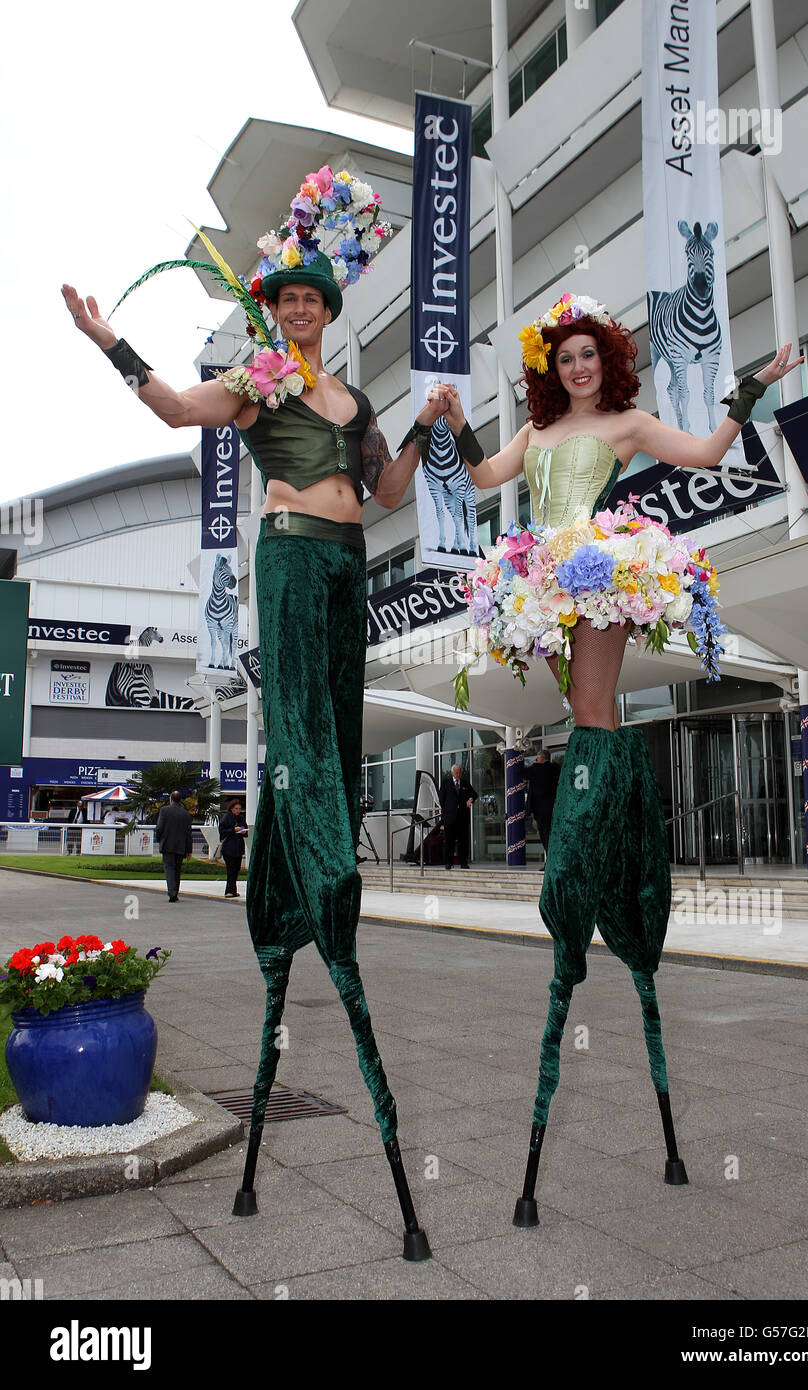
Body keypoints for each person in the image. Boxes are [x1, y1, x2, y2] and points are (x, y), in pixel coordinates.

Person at [61, 168, 438, 1256]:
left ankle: (304, 862)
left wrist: (431, 430)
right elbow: (178, 409)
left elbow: (386, 493)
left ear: (332, 306)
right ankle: (320, 863)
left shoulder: (353, 399)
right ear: (269, 309)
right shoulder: (256, 380)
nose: (300, 309)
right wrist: (108, 342)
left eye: (313, 298)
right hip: (283, 558)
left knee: (335, 712)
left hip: (346, 562)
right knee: (302, 741)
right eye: (285, 299)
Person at [440, 291, 804, 1220]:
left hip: (600, 572)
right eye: (563, 359)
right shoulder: (538, 429)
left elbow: (709, 454)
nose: (576, 369)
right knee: (580, 713)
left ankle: (597, 837)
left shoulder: (631, 423)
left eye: (588, 355)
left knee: (595, 708)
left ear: (608, 357)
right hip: (541, 573)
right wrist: (450, 422)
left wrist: (752, 387)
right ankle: (603, 826)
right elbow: (485, 482)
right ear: (549, 368)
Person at [154, 790, 193, 902]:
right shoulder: (185, 814)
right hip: (181, 846)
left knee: (169, 868)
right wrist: (189, 850)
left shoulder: (164, 810)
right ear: (180, 800)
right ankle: (175, 892)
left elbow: (159, 827)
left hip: (167, 844)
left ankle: (172, 892)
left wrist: (159, 839)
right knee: (177, 869)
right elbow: (188, 834)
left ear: (171, 799)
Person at [438, 763, 478, 869]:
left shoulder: (464, 783)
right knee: (449, 841)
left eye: (459, 772)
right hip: (449, 818)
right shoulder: (446, 783)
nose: (458, 774)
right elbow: (441, 799)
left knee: (463, 841)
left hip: (462, 818)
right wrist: (448, 811)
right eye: (456, 772)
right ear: (452, 773)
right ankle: (448, 862)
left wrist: (470, 799)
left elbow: (474, 794)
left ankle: (463, 862)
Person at [525, 748, 560, 856]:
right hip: (554, 807)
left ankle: (550, 860)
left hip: (541, 809)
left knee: (545, 835)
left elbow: (519, 772)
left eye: (537, 758)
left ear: (541, 758)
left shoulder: (537, 769)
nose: (536, 760)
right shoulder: (556, 769)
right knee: (553, 835)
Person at [218, 797, 248, 897]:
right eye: (236, 809)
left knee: (236, 869)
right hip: (229, 848)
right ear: (231, 808)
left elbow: (244, 827)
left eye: (239, 809)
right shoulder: (227, 817)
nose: (238, 811)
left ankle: (233, 890)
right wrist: (233, 830)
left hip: (238, 848)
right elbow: (222, 831)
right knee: (231, 869)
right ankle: (229, 891)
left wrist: (243, 831)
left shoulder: (241, 818)